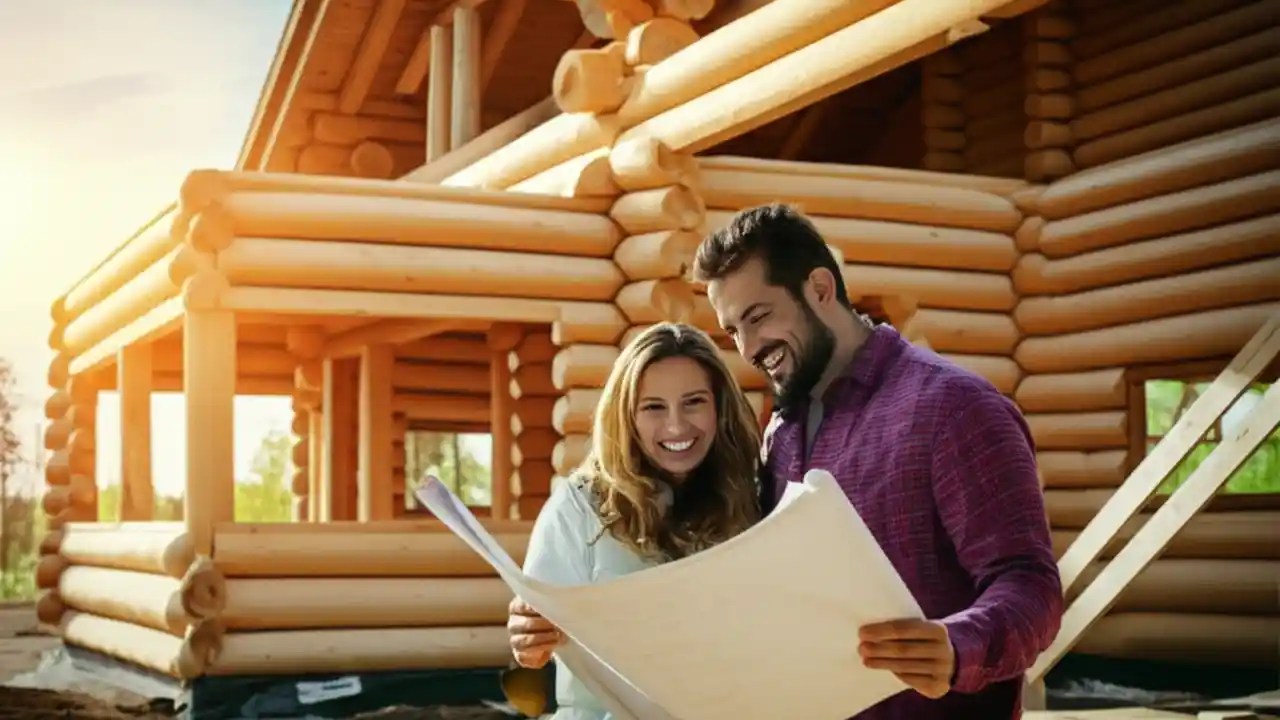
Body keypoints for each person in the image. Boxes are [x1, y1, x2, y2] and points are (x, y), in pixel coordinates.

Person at [690, 203, 1063, 719]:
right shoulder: (782, 430)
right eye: (733, 331)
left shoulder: (956, 408)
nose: (749, 348)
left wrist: (958, 646)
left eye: (758, 317)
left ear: (820, 289)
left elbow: (1031, 586)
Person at [507, 321, 763, 718]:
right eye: (653, 407)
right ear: (626, 415)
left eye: (694, 402)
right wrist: (528, 639)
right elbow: (533, 650)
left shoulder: (753, 498)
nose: (676, 425)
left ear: (720, 407)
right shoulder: (578, 507)